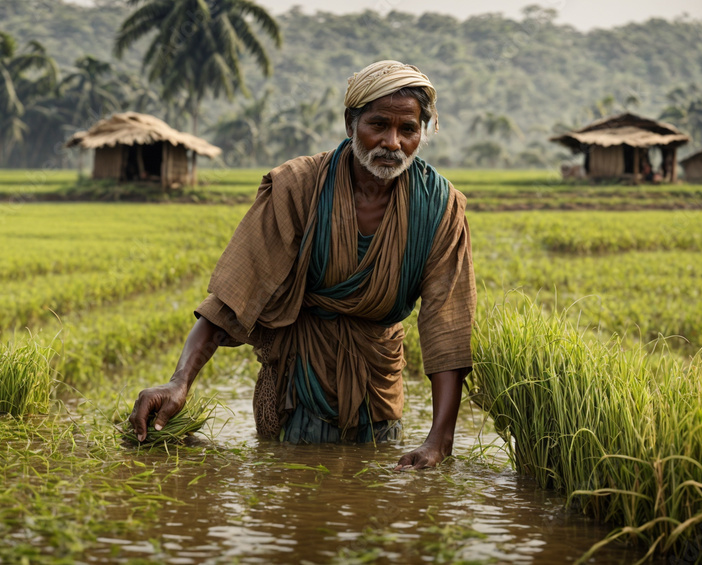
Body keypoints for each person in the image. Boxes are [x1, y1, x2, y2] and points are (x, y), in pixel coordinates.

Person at [129, 60, 476, 470]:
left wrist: (439, 440)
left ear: (423, 130)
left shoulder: (440, 206)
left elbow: (447, 324)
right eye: (378, 125)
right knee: (289, 490)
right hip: (297, 384)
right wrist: (179, 382)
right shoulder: (299, 187)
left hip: (379, 385)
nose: (392, 143)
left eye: (408, 130)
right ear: (351, 123)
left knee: (373, 501)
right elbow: (236, 295)